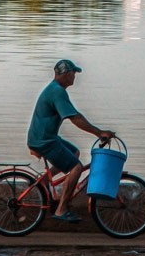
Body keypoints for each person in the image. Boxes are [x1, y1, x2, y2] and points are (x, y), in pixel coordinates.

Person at [26, 58, 114, 222]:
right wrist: (98, 132)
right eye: (73, 72)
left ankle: (43, 183)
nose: (75, 76)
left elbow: (74, 115)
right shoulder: (57, 91)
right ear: (66, 74)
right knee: (76, 167)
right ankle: (61, 209)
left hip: (44, 138)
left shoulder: (55, 89)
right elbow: (74, 117)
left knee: (74, 152)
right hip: (44, 141)